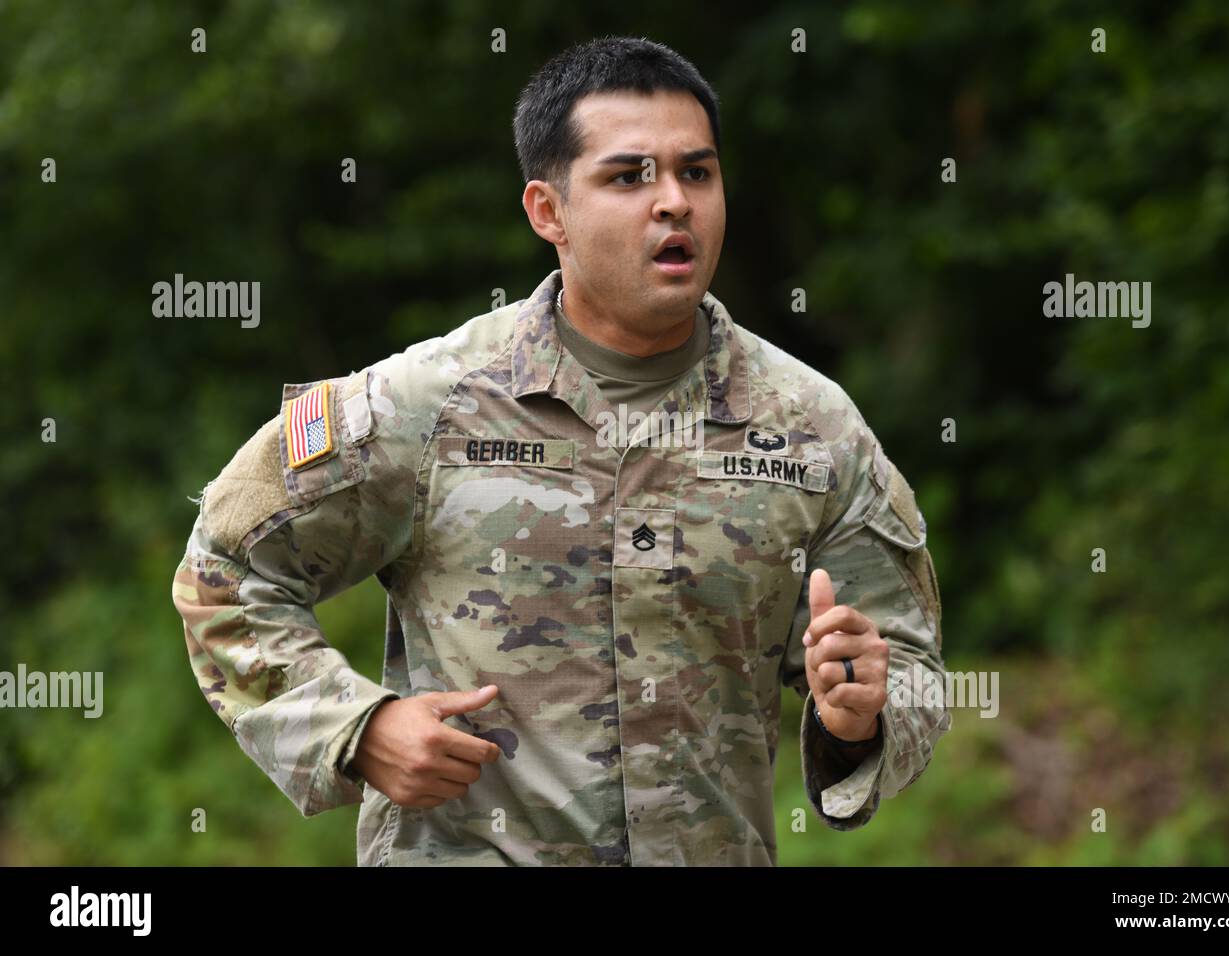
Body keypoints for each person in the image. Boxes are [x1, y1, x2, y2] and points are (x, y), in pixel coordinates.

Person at [171, 35, 951, 866]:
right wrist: (356, 730)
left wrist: (860, 719)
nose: (674, 203)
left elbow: (908, 661)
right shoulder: (427, 405)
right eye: (628, 177)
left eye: (698, 172)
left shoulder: (810, 425)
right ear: (548, 211)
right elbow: (225, 571)